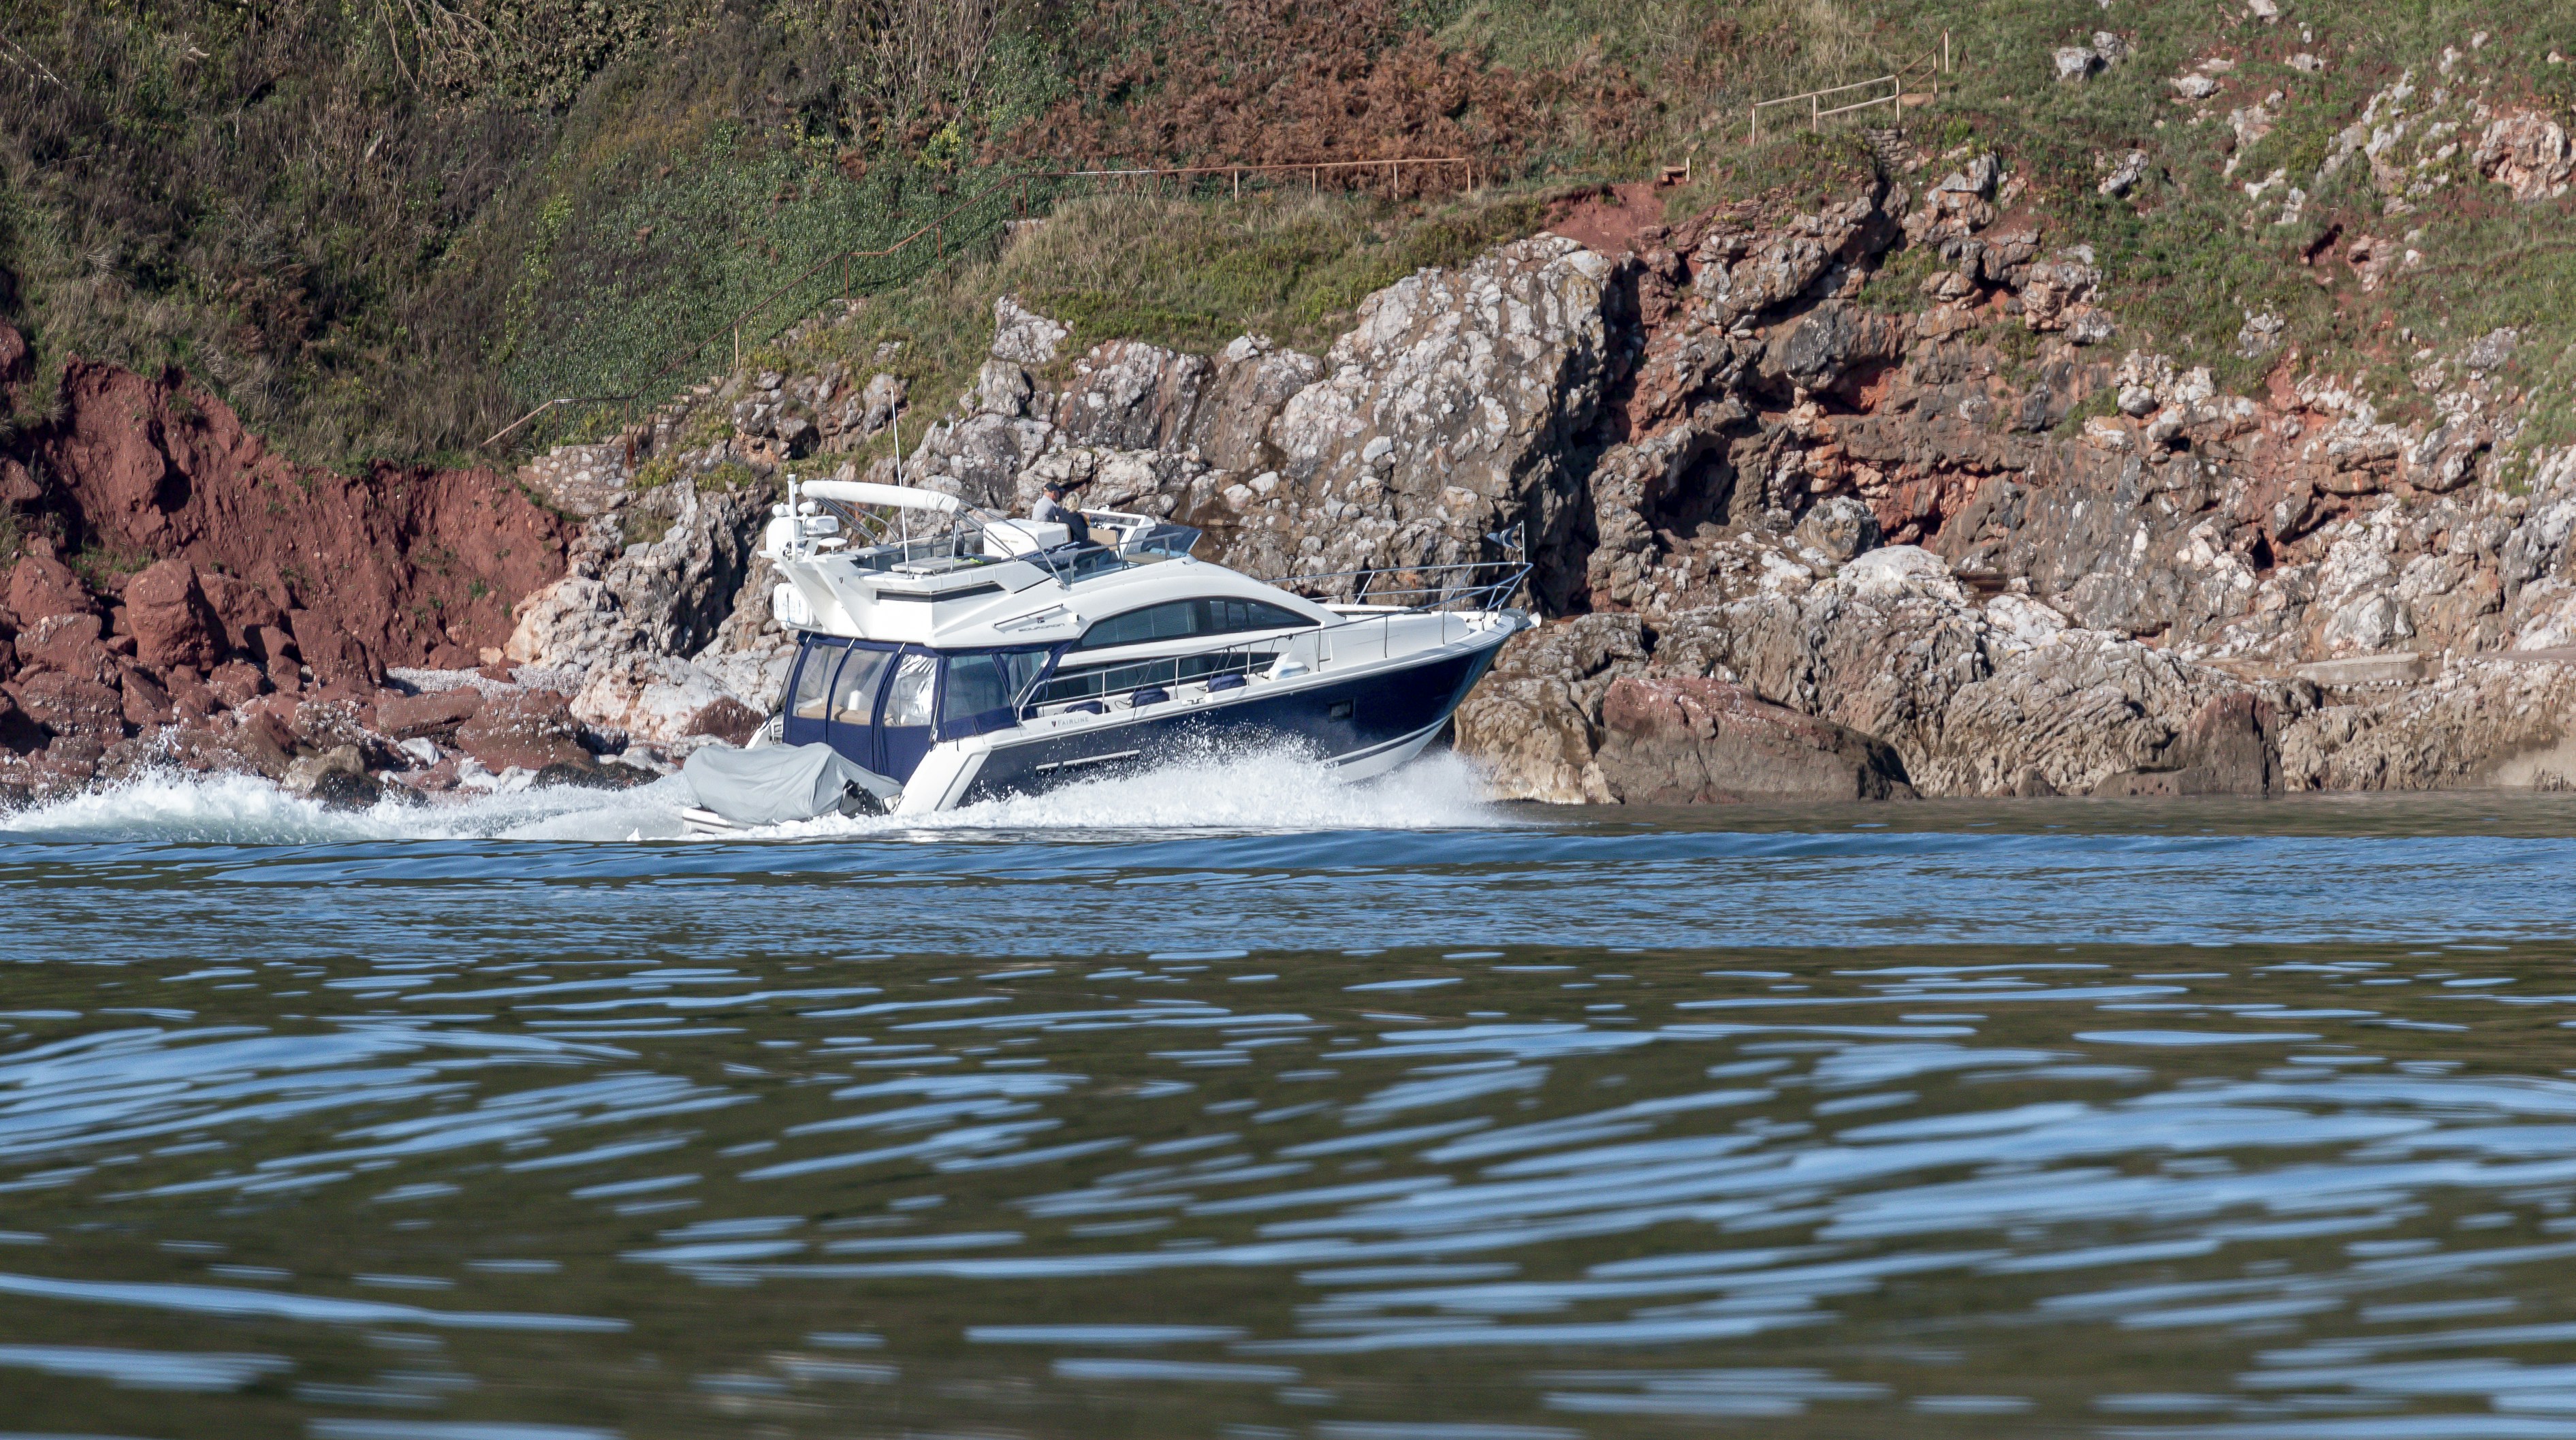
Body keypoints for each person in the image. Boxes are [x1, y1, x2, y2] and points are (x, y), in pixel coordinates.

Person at [1032, 478, 1091, 545]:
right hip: (1046, 536)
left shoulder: (1040, 501)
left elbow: (1062, 510)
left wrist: (1078, 513)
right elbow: (1085, 535)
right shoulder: (1050, 504)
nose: (1060, 495)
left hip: (1036, 532)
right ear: (1054, 493)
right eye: (1059, 492)